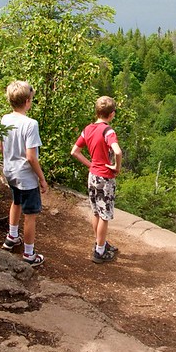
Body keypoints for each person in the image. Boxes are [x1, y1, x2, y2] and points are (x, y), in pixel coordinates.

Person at [0, 81, 48, 266]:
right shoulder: (30, 124)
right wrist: (42, 179)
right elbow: (31, 157)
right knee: (30, 215)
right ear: (28, 101)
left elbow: (1, 147)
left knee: (16, 201)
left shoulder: (4, 119)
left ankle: (12, 237)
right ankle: (29, 254)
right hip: (26, 176)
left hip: (10, 171)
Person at [71, 95, 122, 264]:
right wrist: (116, 167)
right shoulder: (108, 131)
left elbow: (75, 151)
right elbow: (117, 151)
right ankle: (100, 251)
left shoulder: (88, 129)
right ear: (112, 114)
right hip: (105, 178)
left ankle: (101, 243)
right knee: (104, 215)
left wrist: (90, 165)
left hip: (92, 176)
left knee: (96, 212)